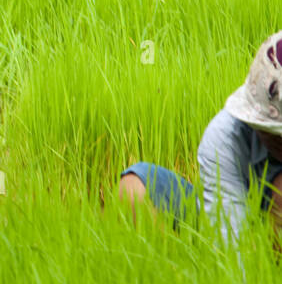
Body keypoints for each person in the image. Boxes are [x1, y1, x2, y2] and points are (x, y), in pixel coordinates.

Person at [119, 33, 282, 241]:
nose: (277, 141)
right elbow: (230, 242)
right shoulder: (225, 136)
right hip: (233, 220)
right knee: (133, 190)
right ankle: (168, 268)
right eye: (272, 133)